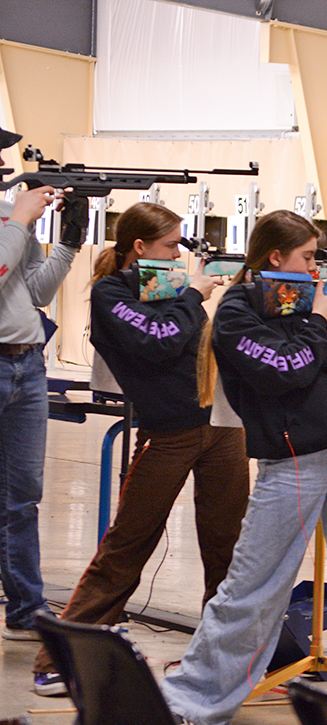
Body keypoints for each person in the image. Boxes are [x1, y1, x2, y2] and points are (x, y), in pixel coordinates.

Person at [161, 209, 327, 725]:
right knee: (254, 584)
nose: (318, 269)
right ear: (275, 257)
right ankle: (196, 697)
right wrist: (319, 319)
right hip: (293, 457)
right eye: (309, 258)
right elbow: (285, 373)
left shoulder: (313, 310)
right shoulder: (238, 311)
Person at [30, 202, 249, 696]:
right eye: (171, 245)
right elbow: (158, 342)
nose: (178, 253)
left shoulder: (170, 291)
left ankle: (218, 662)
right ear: (140, 247)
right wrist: (195, 292)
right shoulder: (112, 292)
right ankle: (57, 661)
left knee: (227, 551)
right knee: (126, 549)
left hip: (223, 426)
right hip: (169, 432)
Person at [0, 127, 87, 640]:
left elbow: (33, 288)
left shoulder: (10, 223)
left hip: (26, 364)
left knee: (21, 496)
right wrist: (18, 220)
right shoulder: (11, 221)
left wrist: (69, 244)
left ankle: (25, 609)